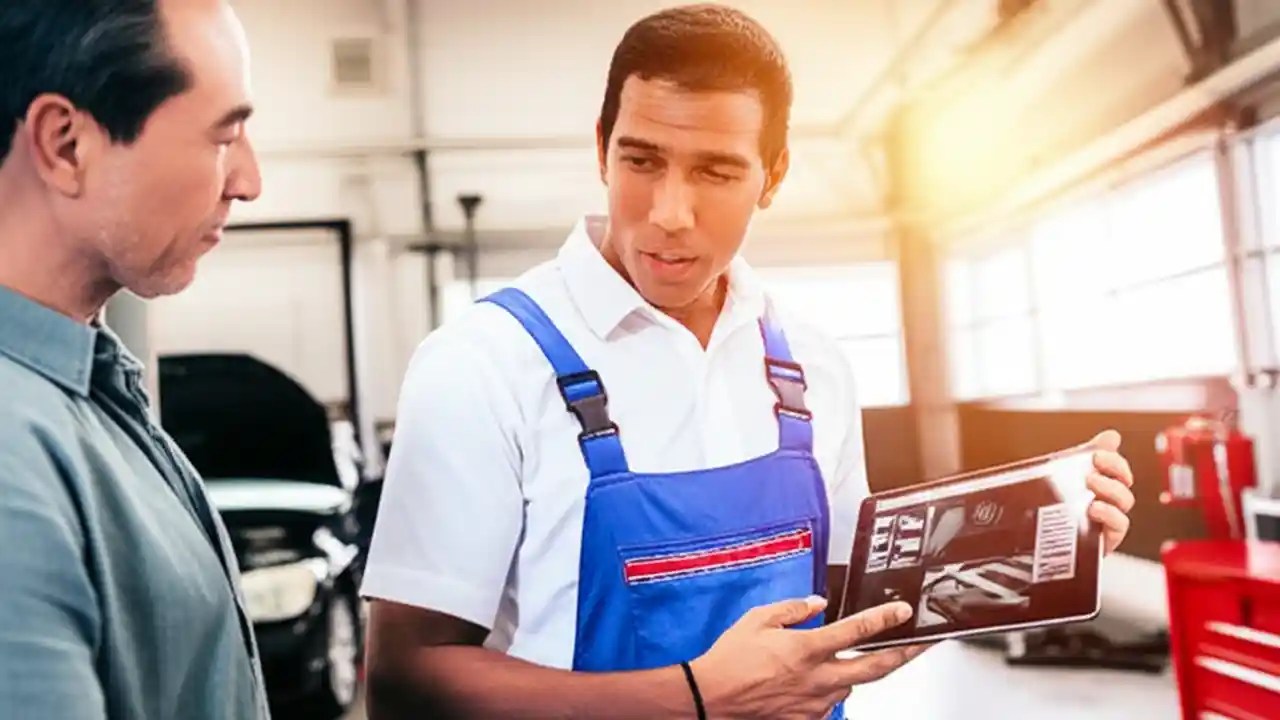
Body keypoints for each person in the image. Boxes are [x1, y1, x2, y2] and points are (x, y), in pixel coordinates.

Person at [361, 5, 1137, 719]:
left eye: (716, 171)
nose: (669, 212)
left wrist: (1033, 556)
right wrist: (698, 698)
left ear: (774, 175)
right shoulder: (481, 365)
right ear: (601, 150)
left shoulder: (811, 367)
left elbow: (841, 620)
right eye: (641, 161)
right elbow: (405, 678)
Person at [0, 1, 266, 718]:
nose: (247, 181)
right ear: (66, 145)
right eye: (224, 137)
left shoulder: (85, 399)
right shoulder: (12, 453)